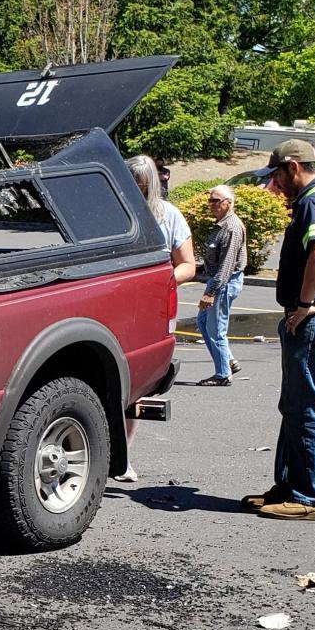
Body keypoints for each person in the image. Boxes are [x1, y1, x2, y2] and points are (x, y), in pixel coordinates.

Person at [243, 139, 315, 521]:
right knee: (294, 404)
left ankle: (310, 498)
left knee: (305, 406)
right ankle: (288, 488)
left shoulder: (313, 201)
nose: (274, 183)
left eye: (276, 174)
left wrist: (304, 305)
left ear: (292, 166)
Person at [119, 155, 196, 483]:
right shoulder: (113, 212)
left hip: (153, 309)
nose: (136, 189)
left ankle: (124, 456)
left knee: (139, 382)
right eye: (131, 182)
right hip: (116, 305)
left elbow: (188, 265)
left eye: (142, 184)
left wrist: (161, 282)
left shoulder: (169, 216)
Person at [195, 185, 248, 386]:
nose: (211, 204)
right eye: (210, 200)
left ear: (228, 203)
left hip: (224, 283)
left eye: (215, 201)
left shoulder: (232, 228)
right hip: (218, 280)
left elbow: (226, 265)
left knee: (216, 330)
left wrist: (211, 292)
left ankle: (223, 374)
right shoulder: (222, 225)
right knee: (202, 322)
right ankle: (228, 361)